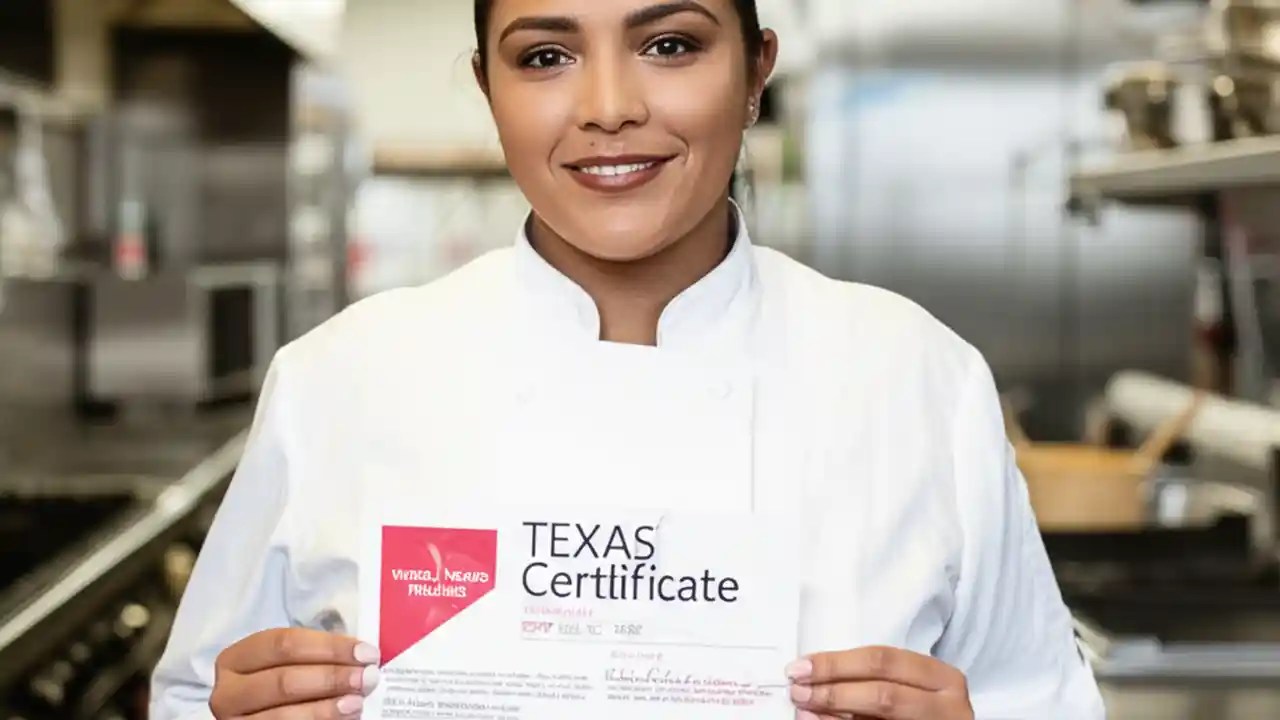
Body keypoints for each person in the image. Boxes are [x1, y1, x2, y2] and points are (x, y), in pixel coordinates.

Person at [150, 1, 1107, 718]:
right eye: (547, 56)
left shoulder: (918, 378)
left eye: (670, 44)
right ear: (488, 85)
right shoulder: (339, 380)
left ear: (756, 68)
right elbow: (197, 696)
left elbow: (1044, 699)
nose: (609, 107)